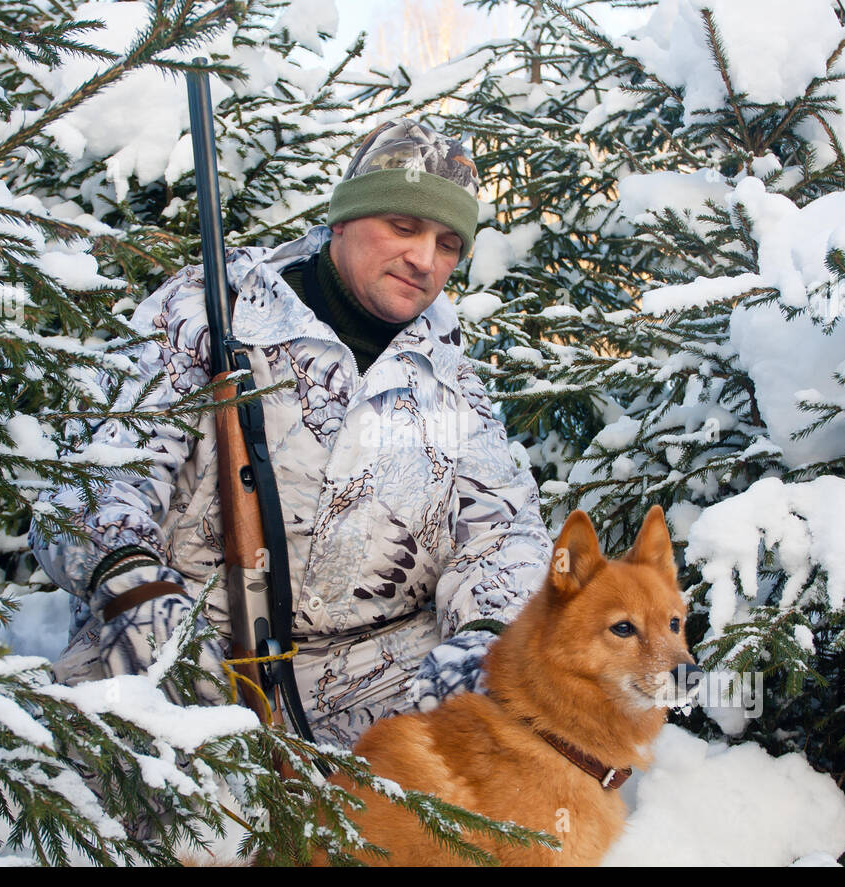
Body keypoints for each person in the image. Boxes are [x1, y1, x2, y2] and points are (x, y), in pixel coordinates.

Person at [30, 119, 552, 748]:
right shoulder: (211, 312)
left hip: (373, 674)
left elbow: (506, 532)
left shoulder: (450, 378)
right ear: (342, 220)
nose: (423, 259)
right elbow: (96, 474)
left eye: (447, 244)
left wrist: (486, 639)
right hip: (179, 642)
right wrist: (134, 585)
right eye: (404, 226)